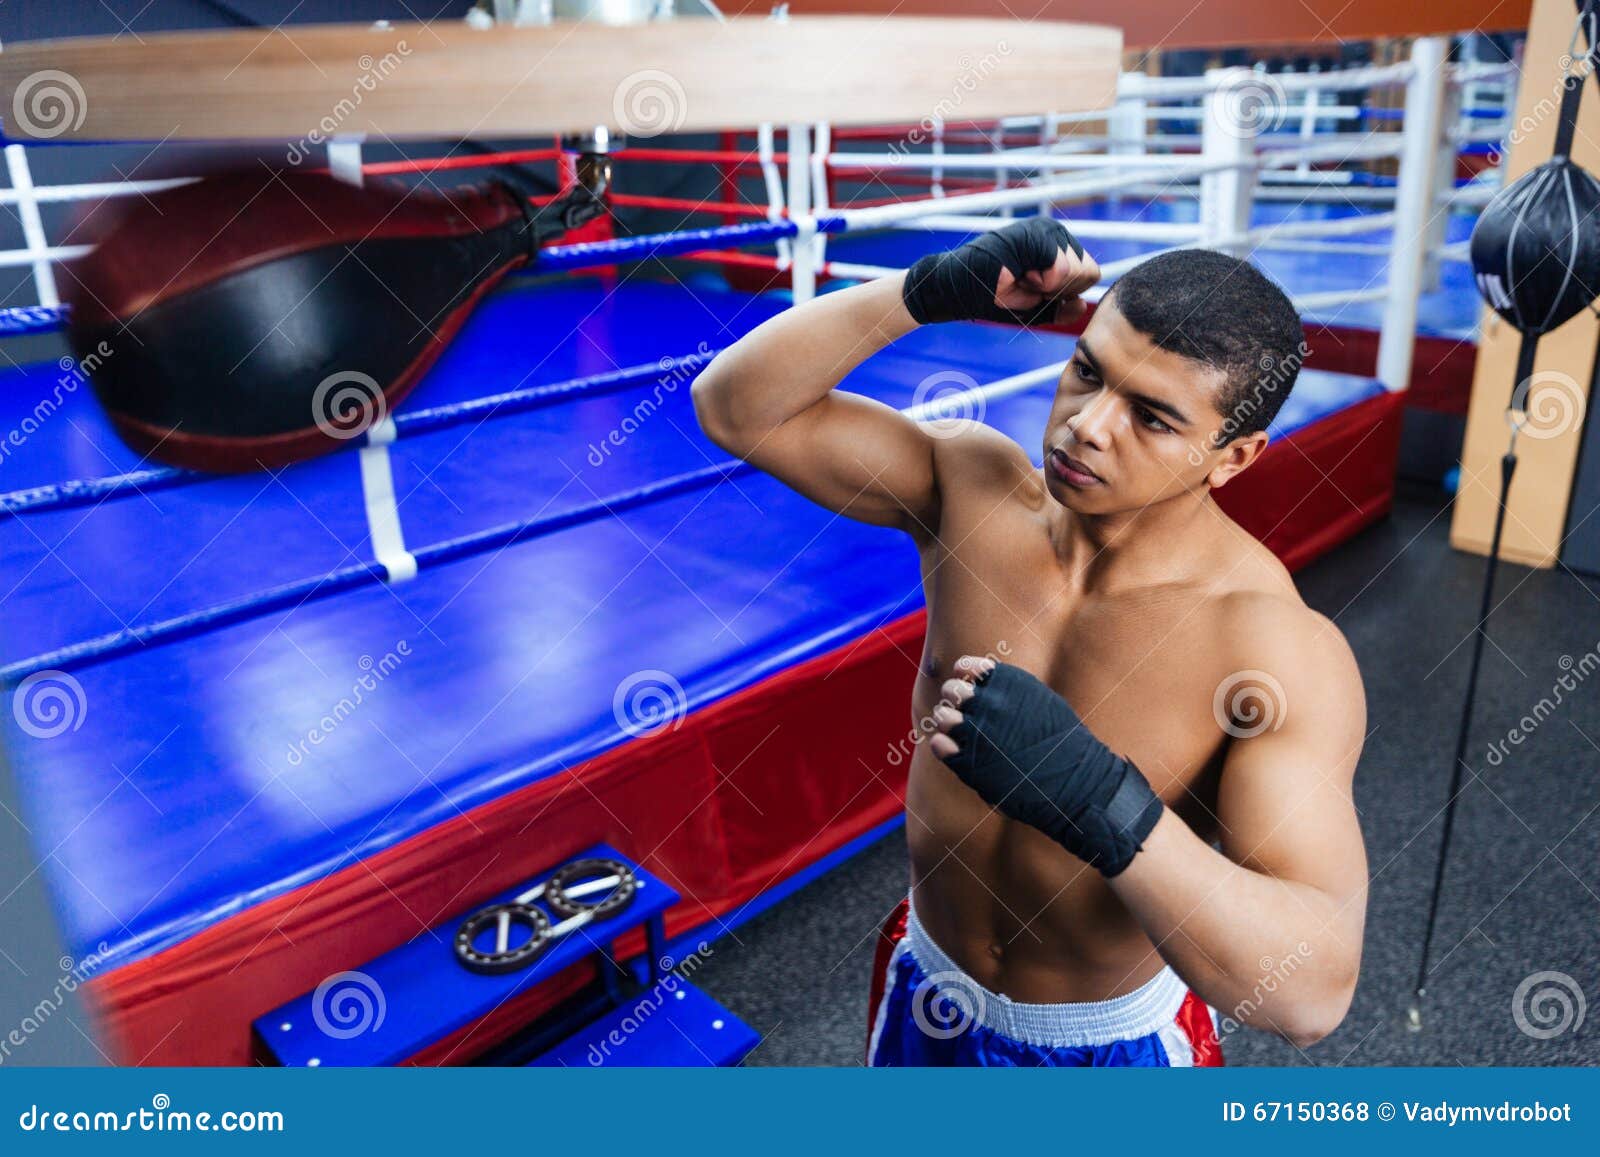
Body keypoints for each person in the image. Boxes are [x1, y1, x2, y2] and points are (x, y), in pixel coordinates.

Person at [691, 219, 1368, 1067]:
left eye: (1152, 417)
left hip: (1106, 1050)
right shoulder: (971, 489)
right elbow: (734, 408)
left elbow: (1314, 993)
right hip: (928, 987)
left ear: (1232, 458)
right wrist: (924, 291)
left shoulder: (1272, 648)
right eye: (1087, 371)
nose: (1089, 425)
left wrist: (1101, 802)